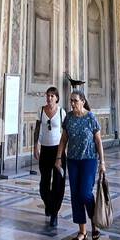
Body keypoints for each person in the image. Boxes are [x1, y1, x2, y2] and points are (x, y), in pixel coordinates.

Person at [55, 90, 104, 240]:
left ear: (83, 101)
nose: (72, 103)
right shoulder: (68, 117)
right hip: (73, 160)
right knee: (76, 195)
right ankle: (82, 231)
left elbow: (98, 141)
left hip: (89, 160)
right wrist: (59, 158)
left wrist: (103, 162)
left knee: (85, 193)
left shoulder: (91, 117)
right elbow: (63, 139)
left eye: (75, 100)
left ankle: (94, 222)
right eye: (71, 101)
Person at [36, 86, 66, 230]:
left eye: (52, 96)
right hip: (45, 150)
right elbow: (37, 129)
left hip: (58, 151)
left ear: (57, 98)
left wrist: (65, 152)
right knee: (44, 183)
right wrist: (36, 146)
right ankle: (48, 203)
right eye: (47, 95)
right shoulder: (41, 110)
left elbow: (66, 133)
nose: (49, 98)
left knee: (58, 183)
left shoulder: (61, 112)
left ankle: (54, 213)